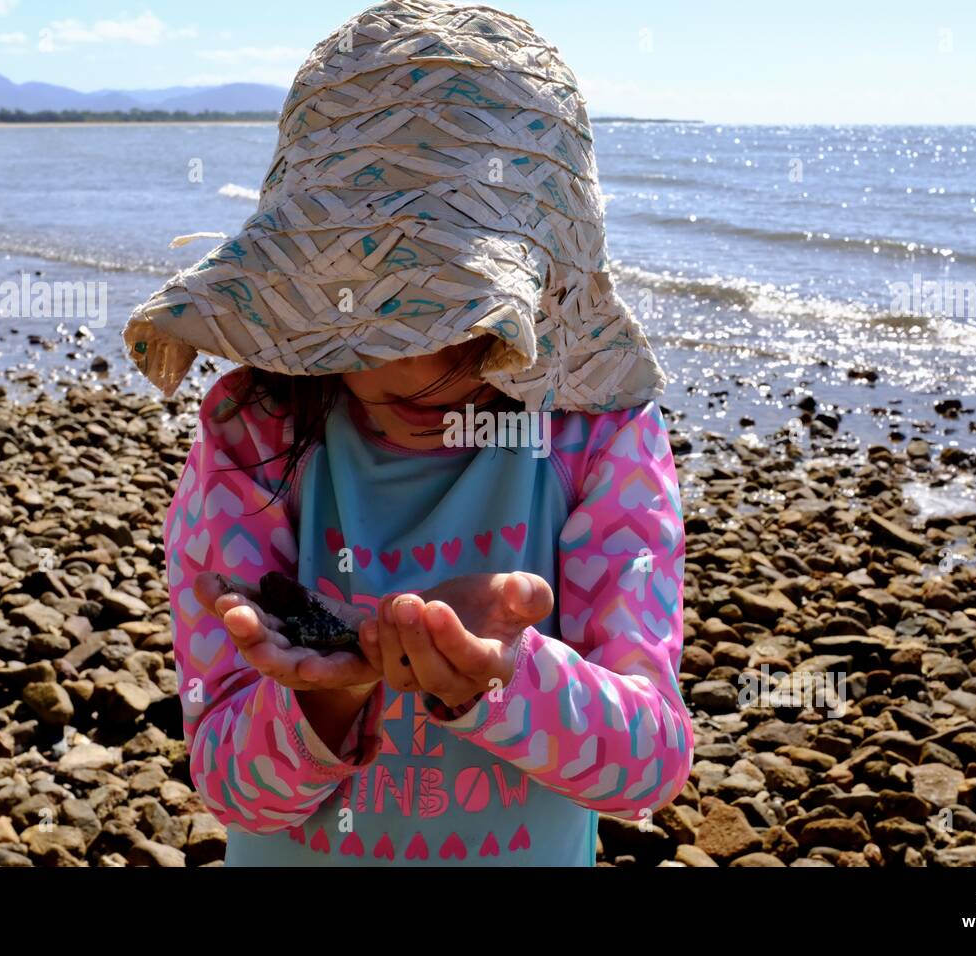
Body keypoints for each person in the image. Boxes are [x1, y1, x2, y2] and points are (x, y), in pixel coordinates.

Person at [123, 0, 692, 866]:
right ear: (313, 295)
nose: (423, 362)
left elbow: (649, 767)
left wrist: (508, 674)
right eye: (386, 312)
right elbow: (228, 784)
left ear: (543, 287)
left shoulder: (593, 439)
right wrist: (328, 695)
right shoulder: (255, 434)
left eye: (468, 313)